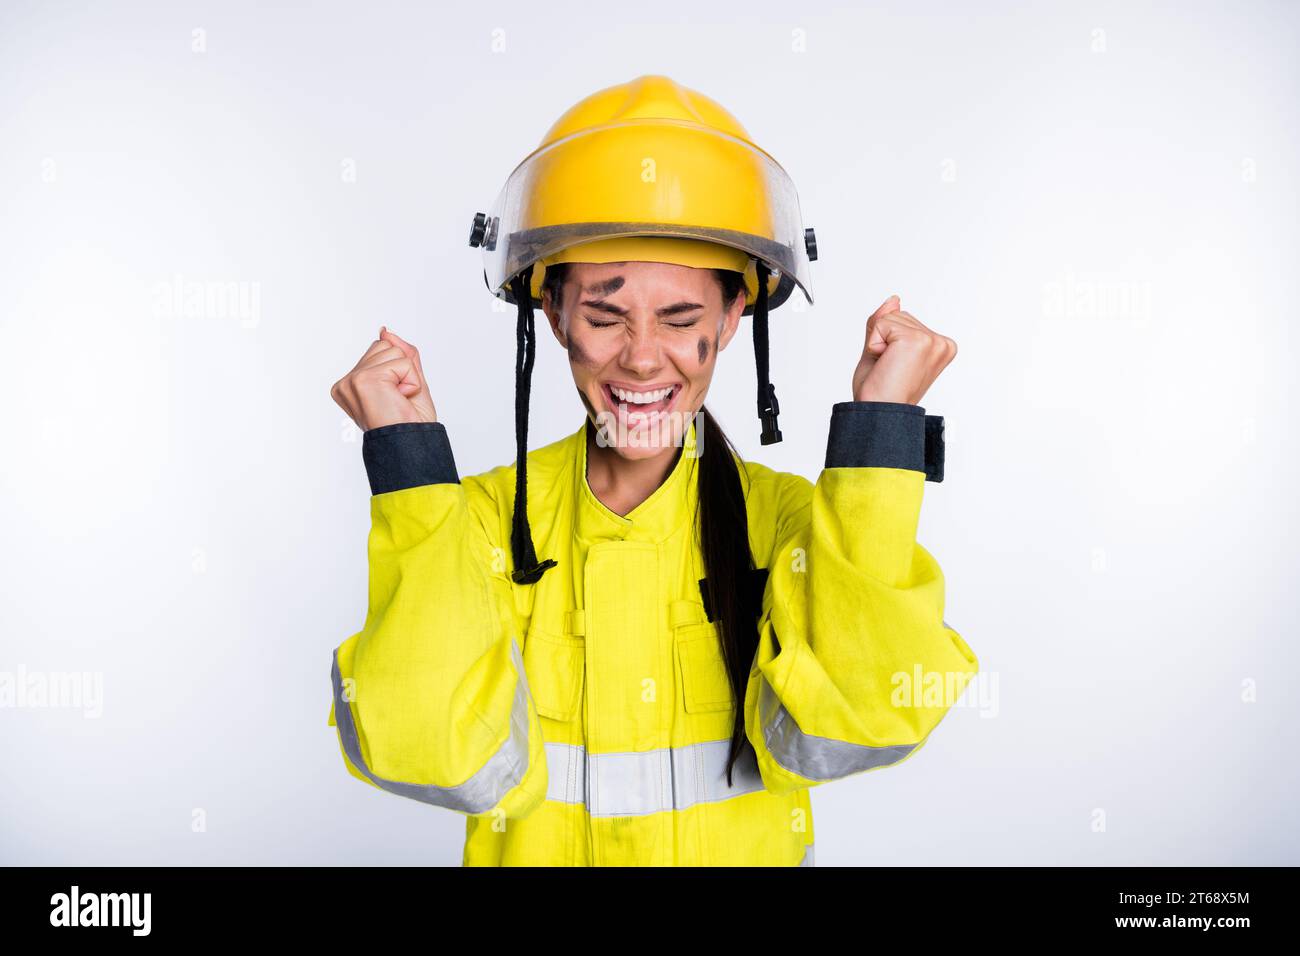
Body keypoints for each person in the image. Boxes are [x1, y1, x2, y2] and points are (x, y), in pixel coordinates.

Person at [326, 75, 979, 866]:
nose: (640, 358)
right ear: (553, 312)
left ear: (735, 316)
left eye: (681, 318)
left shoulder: (793, 526)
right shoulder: (477, 522)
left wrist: (881, 443)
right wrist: (409, 472)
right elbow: (431, 753)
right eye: (604, 316)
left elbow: (865, 721)